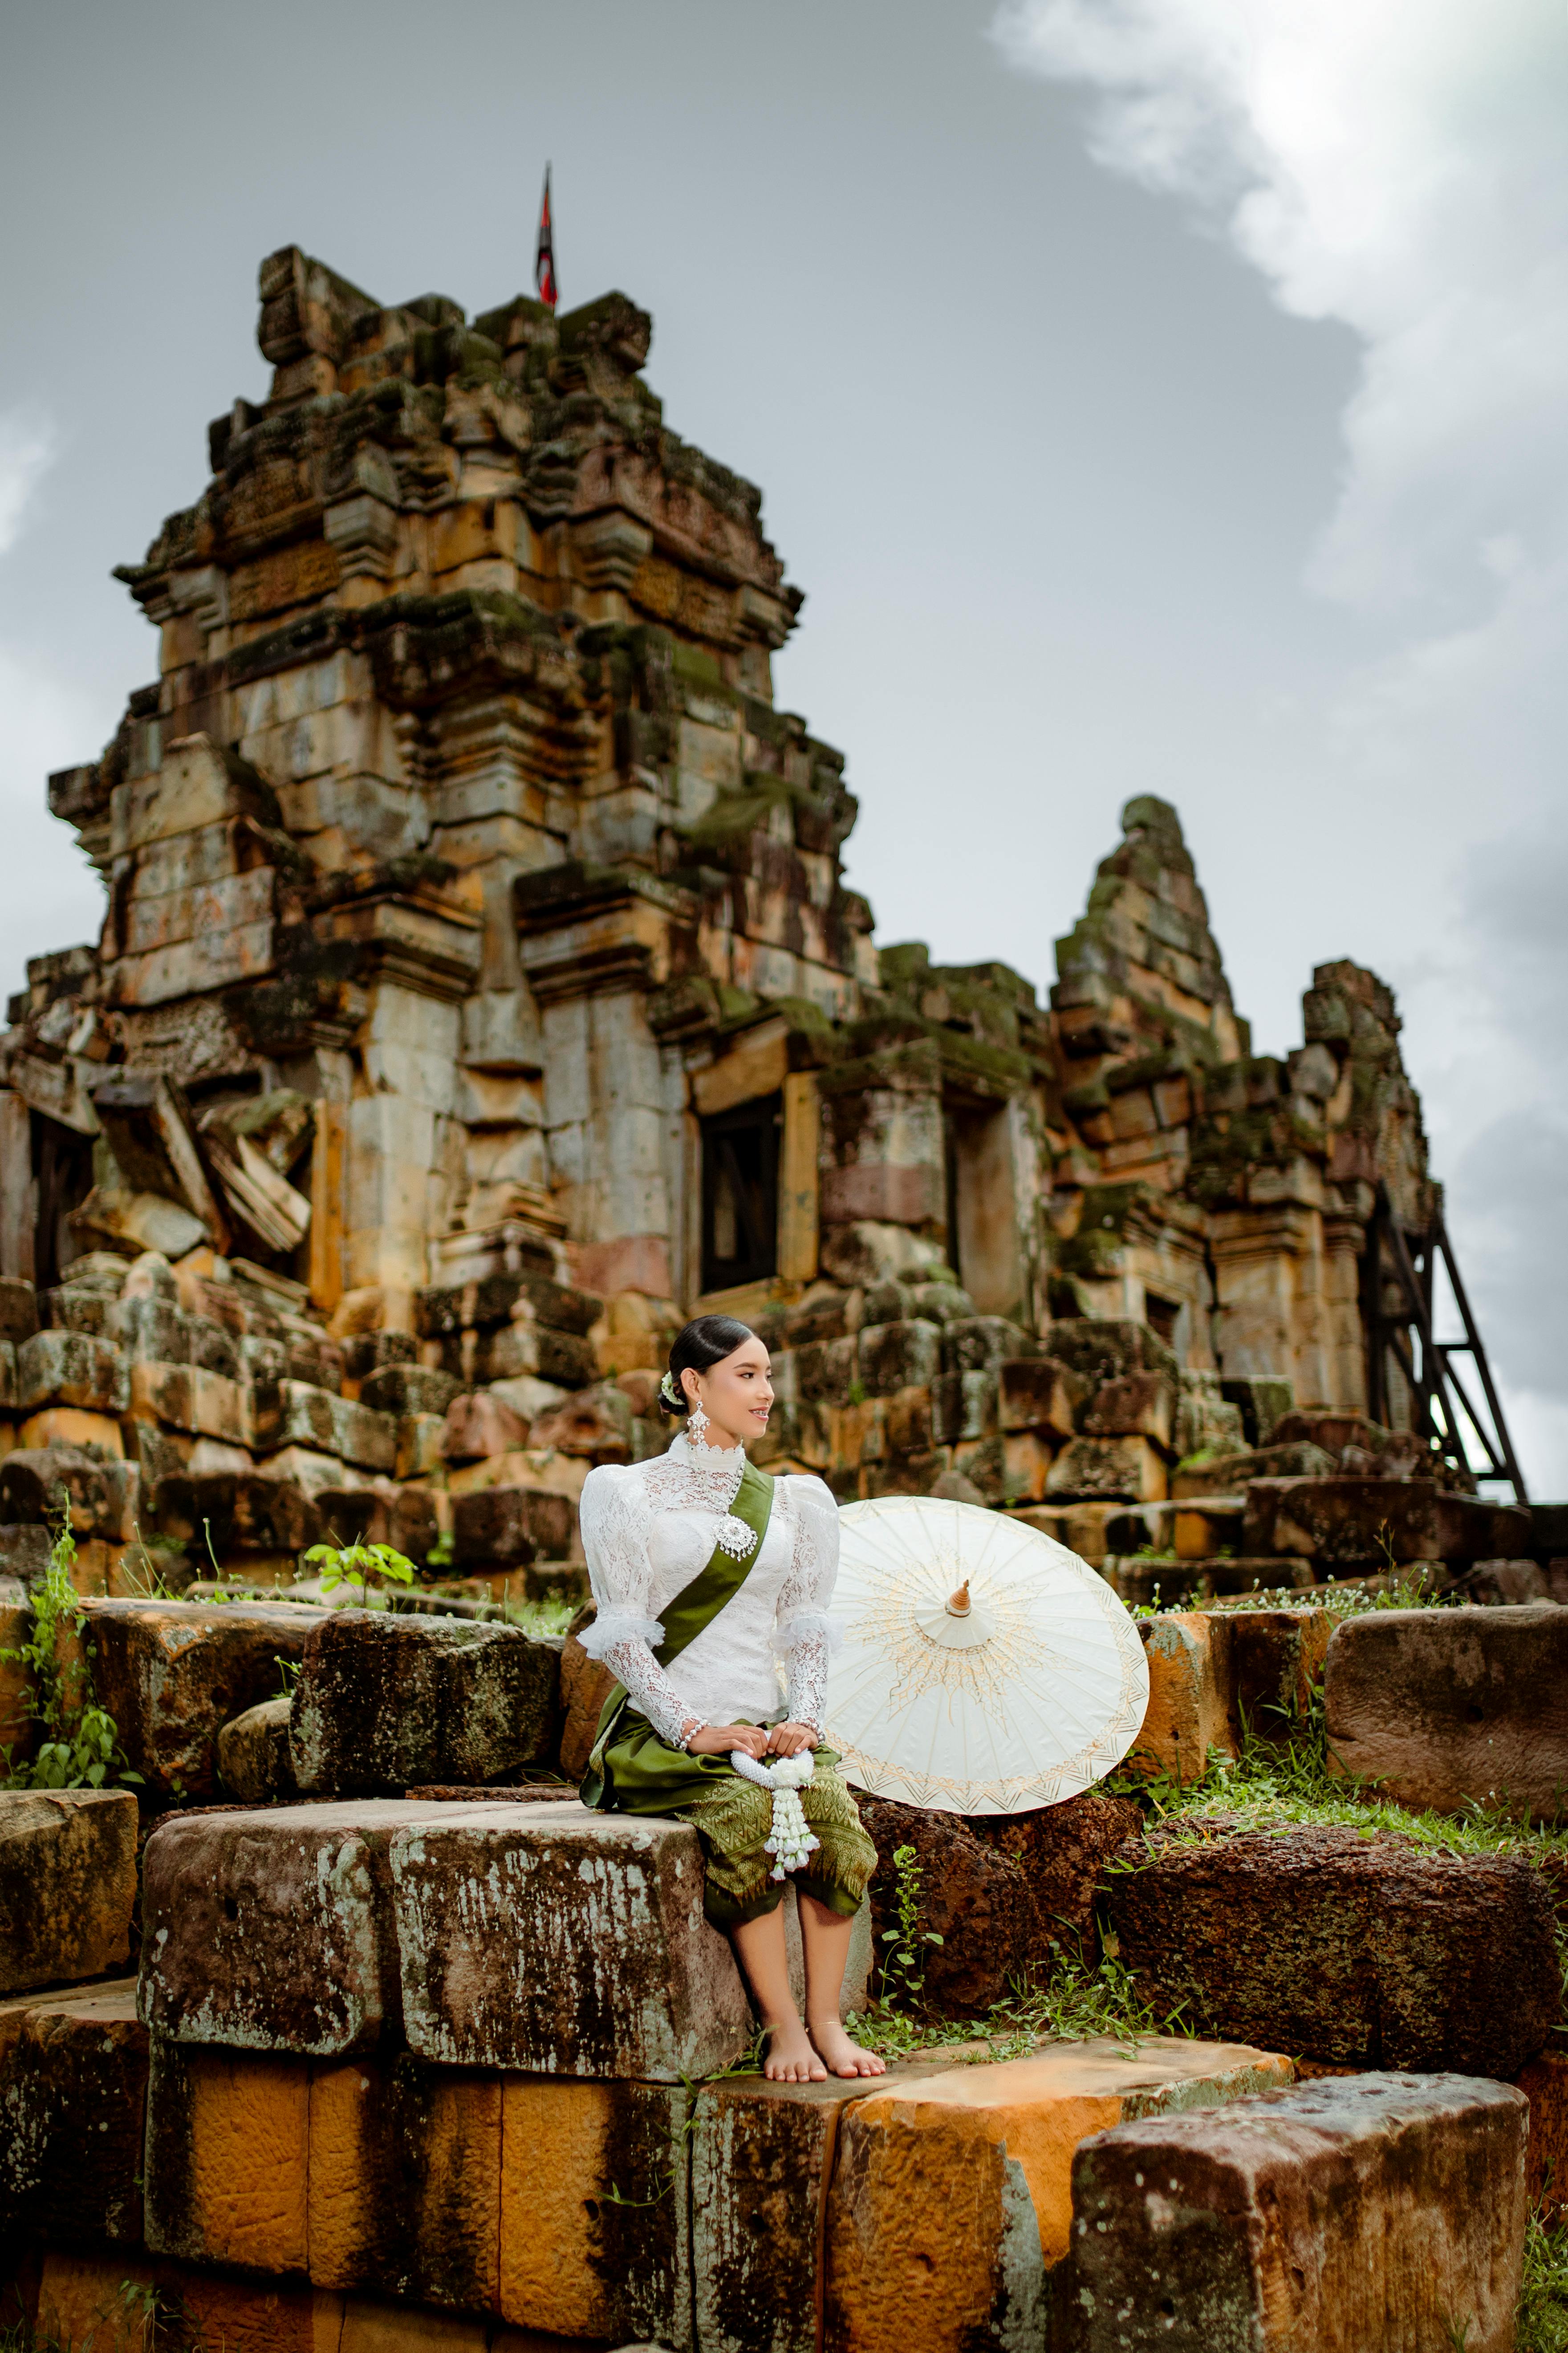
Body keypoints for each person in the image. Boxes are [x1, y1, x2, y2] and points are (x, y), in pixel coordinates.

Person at [577, 1314, 883, 2083]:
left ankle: (827, 2022)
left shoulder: (793, 1501)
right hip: (666, 1729)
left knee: (836, 1822)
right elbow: (621, 1637)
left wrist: (804, 1719)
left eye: (768, 1375)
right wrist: (694, 1730)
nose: (766, 1392)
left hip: (769, 1727)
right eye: (746, 1375)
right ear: (693, 1386)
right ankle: (784, 2031)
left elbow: (803, 1626)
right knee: (749, 1819)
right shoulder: (628, 1492)